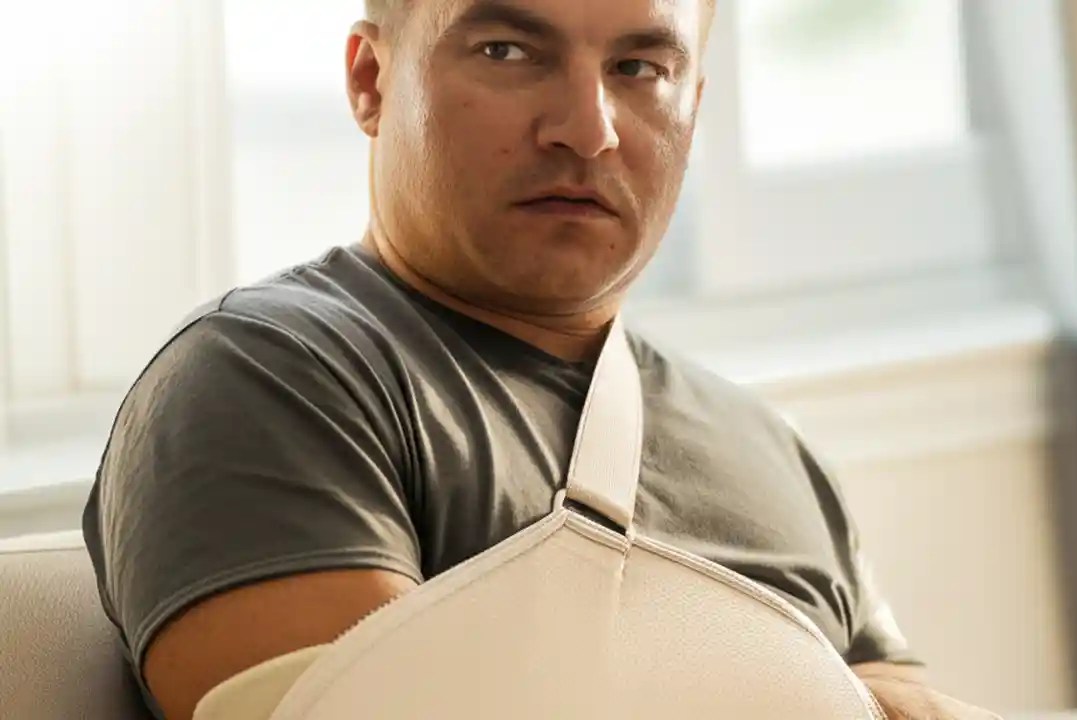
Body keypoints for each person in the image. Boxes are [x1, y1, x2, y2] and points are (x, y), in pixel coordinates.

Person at [83, 1, 1000, 718]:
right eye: (508, 52)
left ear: (695, 106)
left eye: (640, 67)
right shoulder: (268, 380)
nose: (586, 128)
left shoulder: (770, 446)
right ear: (370, 78)